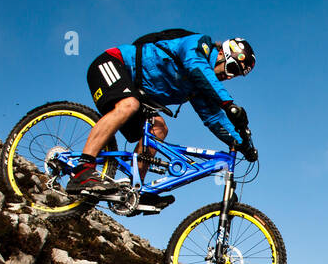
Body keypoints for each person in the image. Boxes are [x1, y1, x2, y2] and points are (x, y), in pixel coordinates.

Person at [67, 30, 256, 196]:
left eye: (234, 76)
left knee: (159, 130)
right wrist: (229, 104)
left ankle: (134, 189)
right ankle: (83, 168)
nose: (228, 76)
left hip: (136, 94)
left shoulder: (199, 88)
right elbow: (195, 65)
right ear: (222, 52)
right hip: (112, 63)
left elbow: (214, 118)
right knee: (128, 105)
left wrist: (241, 143)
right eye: (231, 68)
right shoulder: (198, 44)